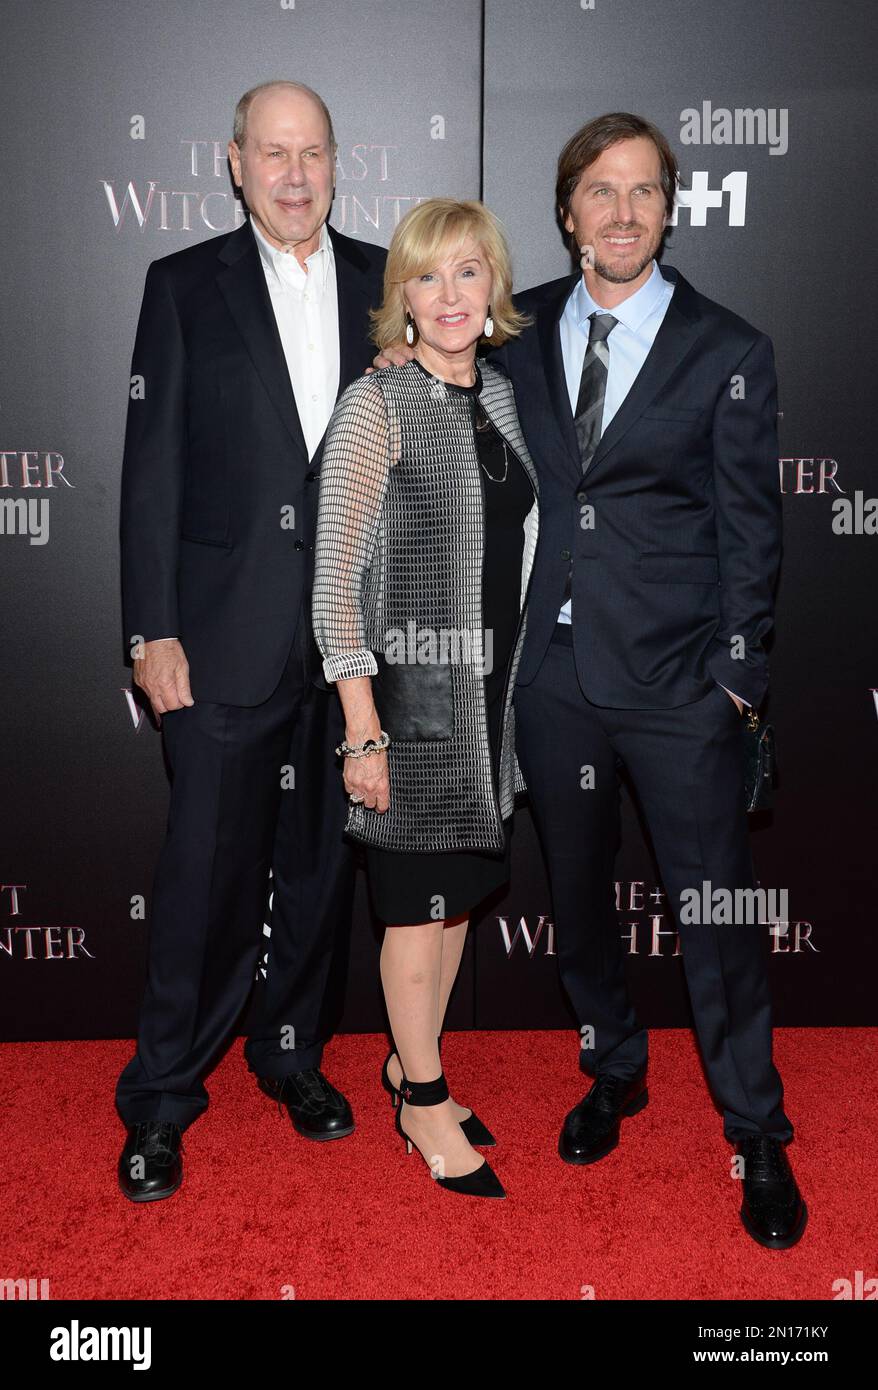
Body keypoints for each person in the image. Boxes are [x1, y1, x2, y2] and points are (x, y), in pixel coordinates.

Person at [377, 114, 805, 1249]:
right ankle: (613, 1066)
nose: (621, 213)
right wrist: (400, 366)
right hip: (551, 679)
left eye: (643, 193)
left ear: (669, 209)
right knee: (576, 904)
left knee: (713, 915)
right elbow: (445, 378)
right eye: (598, 192)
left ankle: (755, 1130)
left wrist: (735, 681)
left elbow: (751, 533)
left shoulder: (728, 349)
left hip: (676, 686)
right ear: (565, 211)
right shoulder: (518, 342)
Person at [116, 80, 386, 1202]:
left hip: (352, 651)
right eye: (270, 153)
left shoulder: (388, 283)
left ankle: (291, 1055)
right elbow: (149, 472)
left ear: (335, 162)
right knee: (202, 884)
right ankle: (163, 1097)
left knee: (320, 874)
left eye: (311, 152)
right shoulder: (181, 287)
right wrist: (150, 626)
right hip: (222, 638)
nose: (292, 174)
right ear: (233, 162)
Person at [312, 198, 539, 1199]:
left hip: (490, 709)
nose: (448, 295)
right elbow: (333, 579)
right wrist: (362, 729)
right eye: (427, 275)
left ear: (492, 284)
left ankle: (413, 1063)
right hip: (408, 709)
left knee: (453, 912)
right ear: (400, 294)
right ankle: (422, 1104)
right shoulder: (377, 404)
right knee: (415, 914)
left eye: (467, 272)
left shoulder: (497, 395)